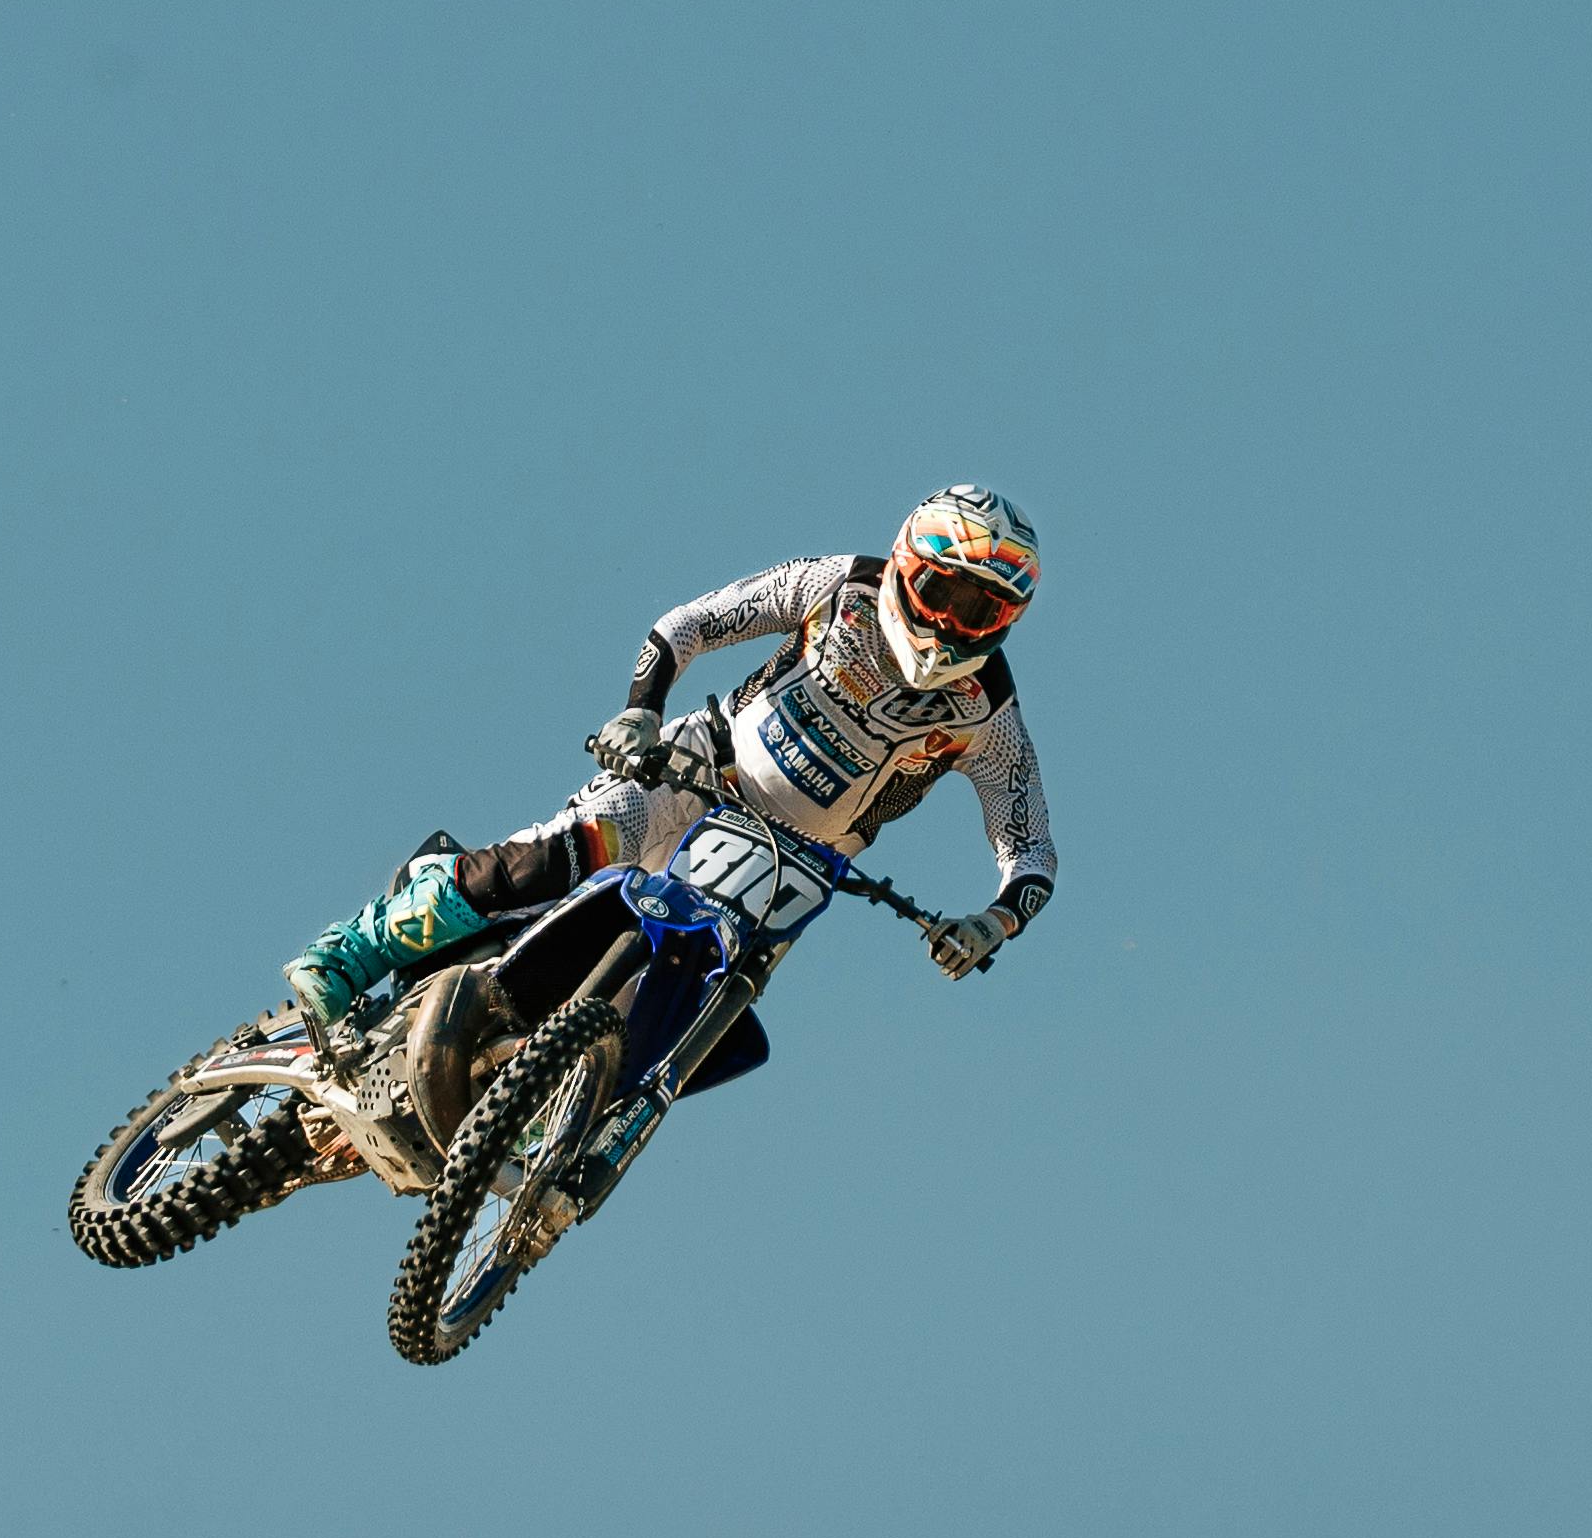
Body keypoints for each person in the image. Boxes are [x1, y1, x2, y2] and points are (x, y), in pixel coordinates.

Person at [274, 487, 1056, 1144]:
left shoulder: (988, 710)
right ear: (908, 568)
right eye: (947, 594)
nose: (955, 622)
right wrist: (641, 714)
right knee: (555, 857)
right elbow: (689, 624)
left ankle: (535, 1126)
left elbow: (1030, 849)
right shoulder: (839, 587)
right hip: (693, 774)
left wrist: (993, 921)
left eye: (982, 610)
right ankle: (348, 954)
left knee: (704, 1019)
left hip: (796, 865)